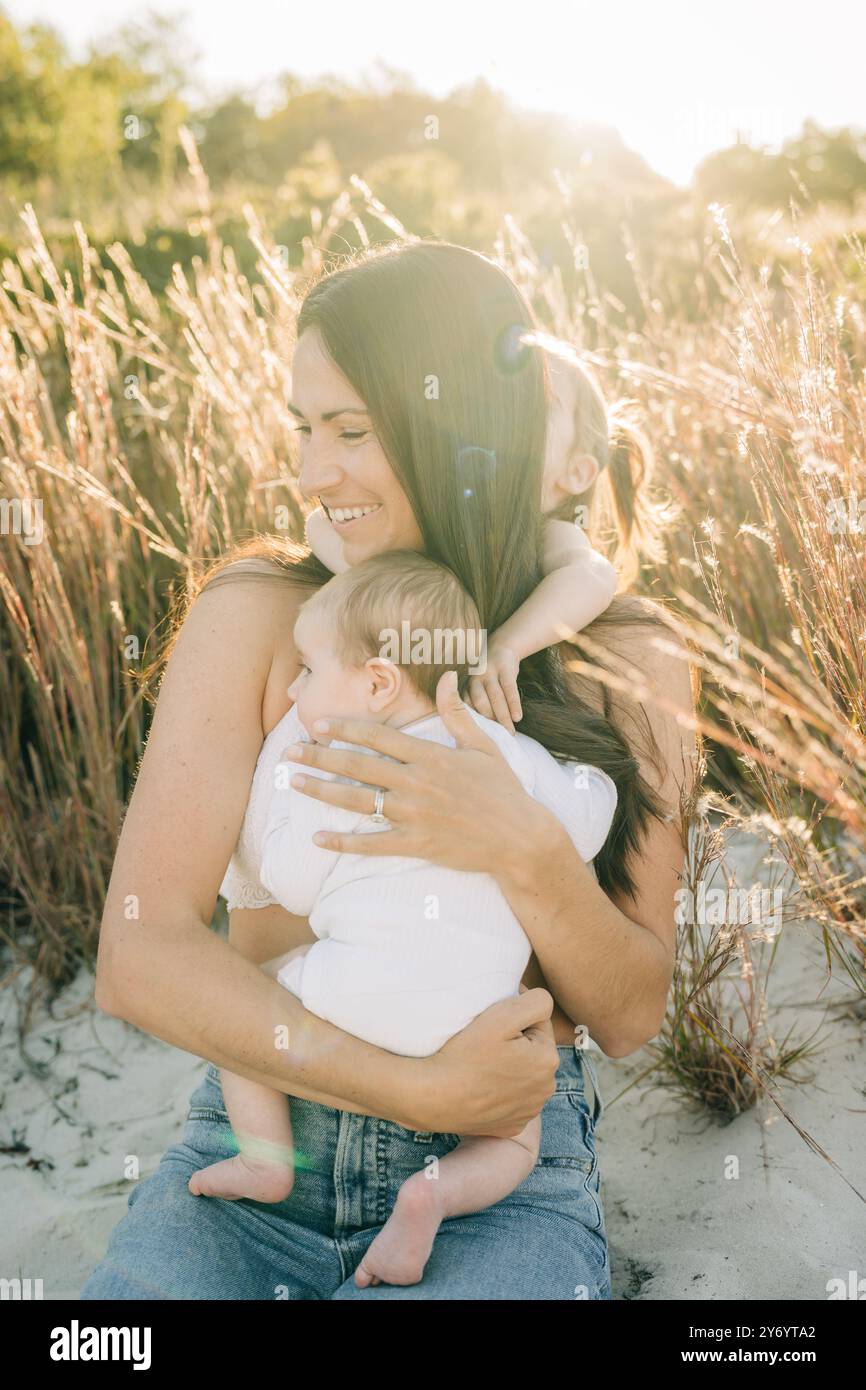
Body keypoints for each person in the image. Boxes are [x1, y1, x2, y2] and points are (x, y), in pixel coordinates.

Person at [82, 239, 697, 1301]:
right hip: (259, 1157)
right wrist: (410, 1085)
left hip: (495, 1176)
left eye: (352, 431)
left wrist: (518, 843)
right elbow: (140, 950)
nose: (315, 472)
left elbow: (631, 1008)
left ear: (462, 429)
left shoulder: (619, 659)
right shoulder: (266, 617)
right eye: (304, 430)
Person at [187, 551, 618, 1289]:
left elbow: (287, 884)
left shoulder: (337, 764)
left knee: (248, 1012)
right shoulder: (500, 752)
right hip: (477, 1019)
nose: (294, 688)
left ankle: (265, 1158)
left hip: (353, 1002)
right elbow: (589, 818)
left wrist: (289, 759)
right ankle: (435, 1193)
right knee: (516, 1141)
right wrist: (572, 781)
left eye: (309, 672)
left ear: (378, 683)